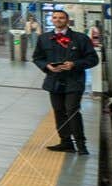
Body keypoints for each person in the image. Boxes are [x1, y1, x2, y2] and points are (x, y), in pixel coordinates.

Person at [33, 9, 99, 155]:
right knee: (59, 112)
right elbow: (37, 58)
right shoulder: (44, 38)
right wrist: (47, 66)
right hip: (54, 81)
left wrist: (74, 64)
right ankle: (66, 142)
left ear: (67, 20)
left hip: (74, 81)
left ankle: (81, 145)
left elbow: (93, 59)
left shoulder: (80, 39)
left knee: (72, 111)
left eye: (61, 18)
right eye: (55, 17)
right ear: (51, 20)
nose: (58, 20)